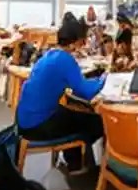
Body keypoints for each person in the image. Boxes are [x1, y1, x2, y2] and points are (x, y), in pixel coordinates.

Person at [16, 14, 105, 172]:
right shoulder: (64, 60)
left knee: (73, 114)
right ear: (76, 41)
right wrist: (106, 78)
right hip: (38, 125)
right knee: (97, 122)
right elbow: (86, 91)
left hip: (24, 120)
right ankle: (85, 167)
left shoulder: (49, 55)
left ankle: (75, 161)